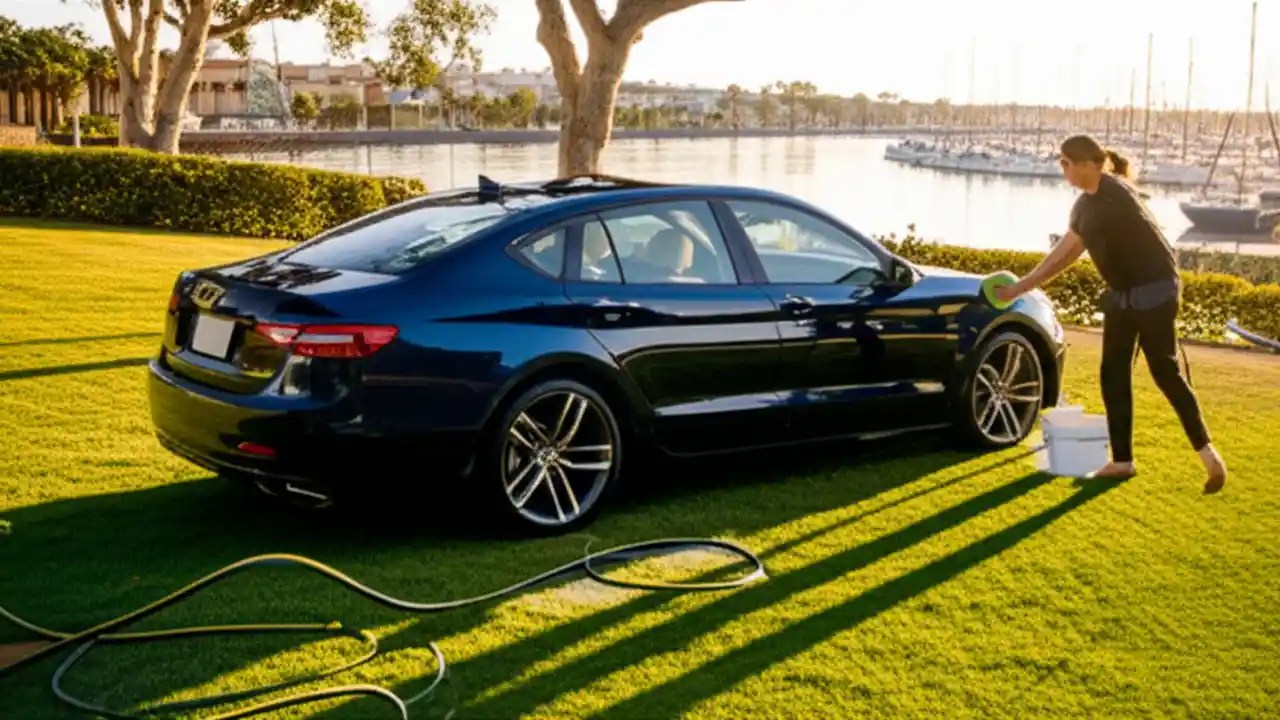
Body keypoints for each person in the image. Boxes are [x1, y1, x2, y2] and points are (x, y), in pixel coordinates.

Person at [995, 134, 1228, 493]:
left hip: (1156, 293)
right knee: (1113, 374)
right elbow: (1065, 253)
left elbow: (1069, 252)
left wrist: (1019, 287)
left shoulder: (1116, 195)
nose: (1063, 169)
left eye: (1066, 163)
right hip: (1122, 298)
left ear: (1088, 165)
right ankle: (1122, 461)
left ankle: (1210, 458)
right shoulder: (1085, 205)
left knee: (1165, 371)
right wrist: (1018, 288)